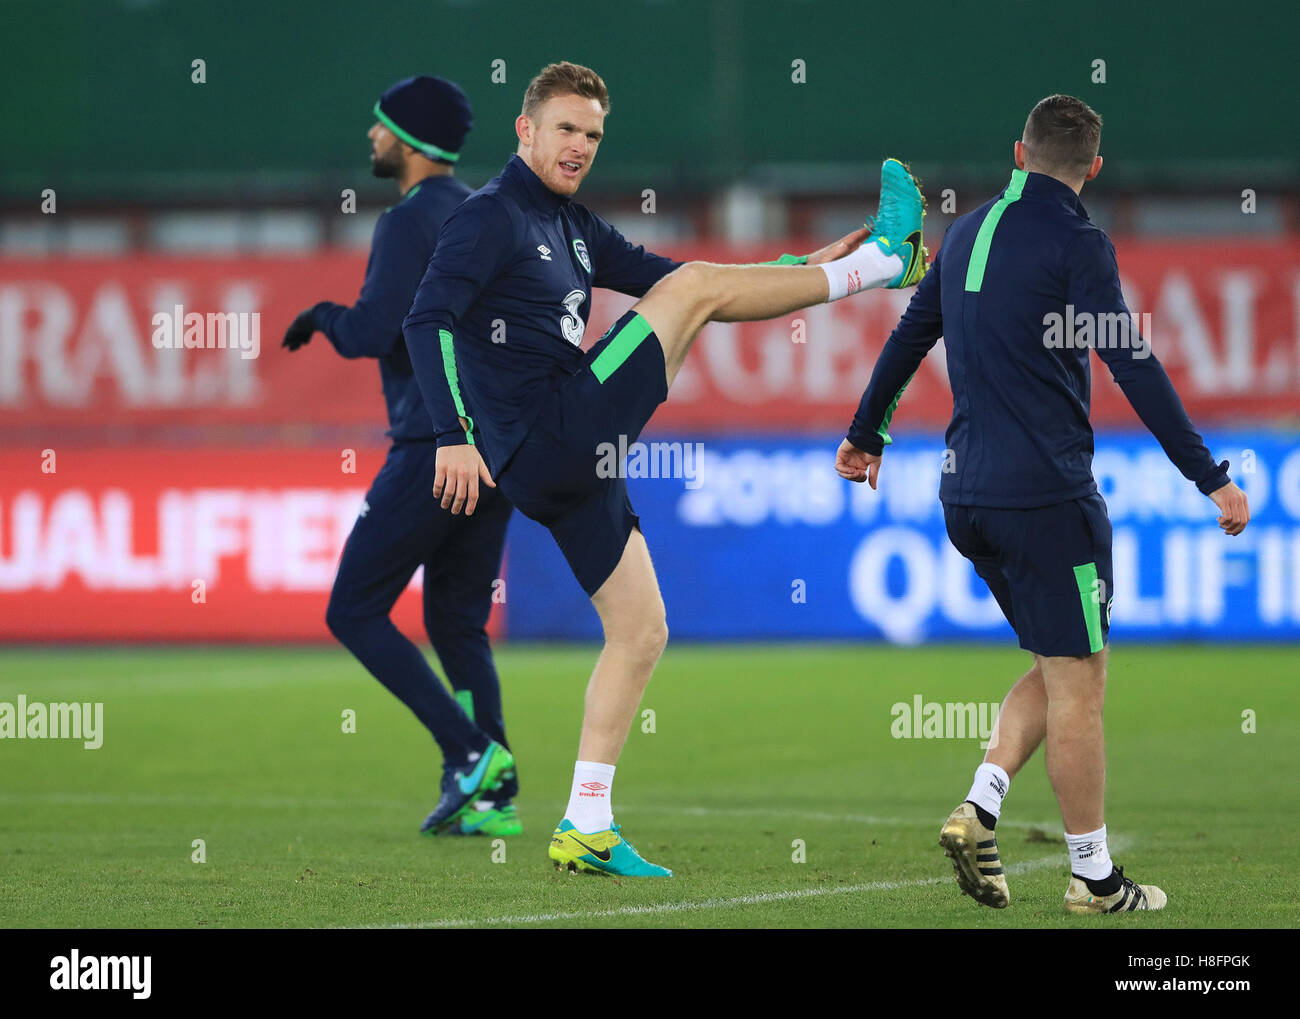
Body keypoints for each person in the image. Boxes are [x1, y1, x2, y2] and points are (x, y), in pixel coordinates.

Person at [403, 61, 927, 876]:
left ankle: (585, 823)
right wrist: (450, 434)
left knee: (642, 631)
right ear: (525, 129)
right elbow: (425, 316)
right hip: (548, 437)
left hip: (575, 457)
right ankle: (889, 266)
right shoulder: (490, 216)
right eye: (567, 129)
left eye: (593, 135)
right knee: (695, 292)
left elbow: (676, 282)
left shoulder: (573, 227)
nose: (579, 147)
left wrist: (802, 263)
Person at [836, 94, 1250, 913]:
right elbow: (1131, 363)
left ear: (1017, 152)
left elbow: (909, 336)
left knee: (1061, 665)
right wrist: (1211, 476)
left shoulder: (967, 231)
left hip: (967, 498)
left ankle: (980, 805)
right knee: (1081, 687)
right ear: (1093, 168)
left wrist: (866, 434)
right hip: (1048, 497)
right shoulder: (1079, 241)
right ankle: (1094, 876)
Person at [282, 75, 519, 839]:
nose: (372, 137)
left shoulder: (408, 221)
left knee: (352, 607)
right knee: (457, 623)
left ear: (411, 141)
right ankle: (494, 796)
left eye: (381, 127)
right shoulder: (489, 212)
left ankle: (469, 752)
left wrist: (319, 316)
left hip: (433, 444)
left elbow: (375, 331)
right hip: (498, 452)